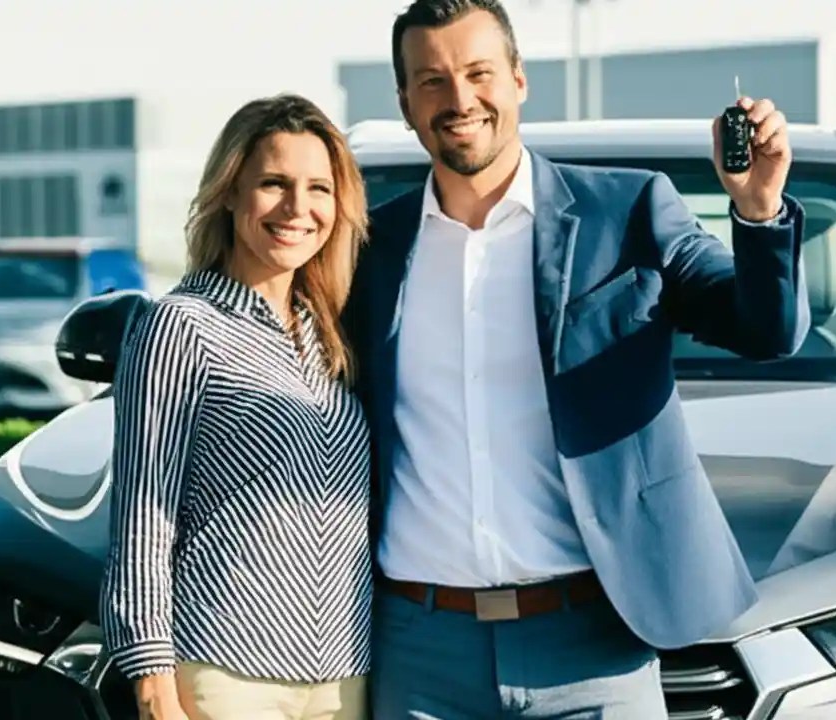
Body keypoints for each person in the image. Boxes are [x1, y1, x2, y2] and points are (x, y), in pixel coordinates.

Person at [340, 0, 811, 716]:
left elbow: (765, 329)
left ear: (519, 80)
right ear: (404, 102)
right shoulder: (368, 249)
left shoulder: (628, 212)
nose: (459, 99)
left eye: (478, 72)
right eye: (431, 81)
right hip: (420, 651)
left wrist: (758, 211)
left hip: (591, 644)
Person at [100, 94, 372, 720]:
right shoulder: (179, 325)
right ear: (228, 192)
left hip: (344, 677)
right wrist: (151, 679)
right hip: (226, 673)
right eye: (273, 184)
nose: (297, 209)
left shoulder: (327, 337)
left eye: (318, 189)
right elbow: (144, 513)